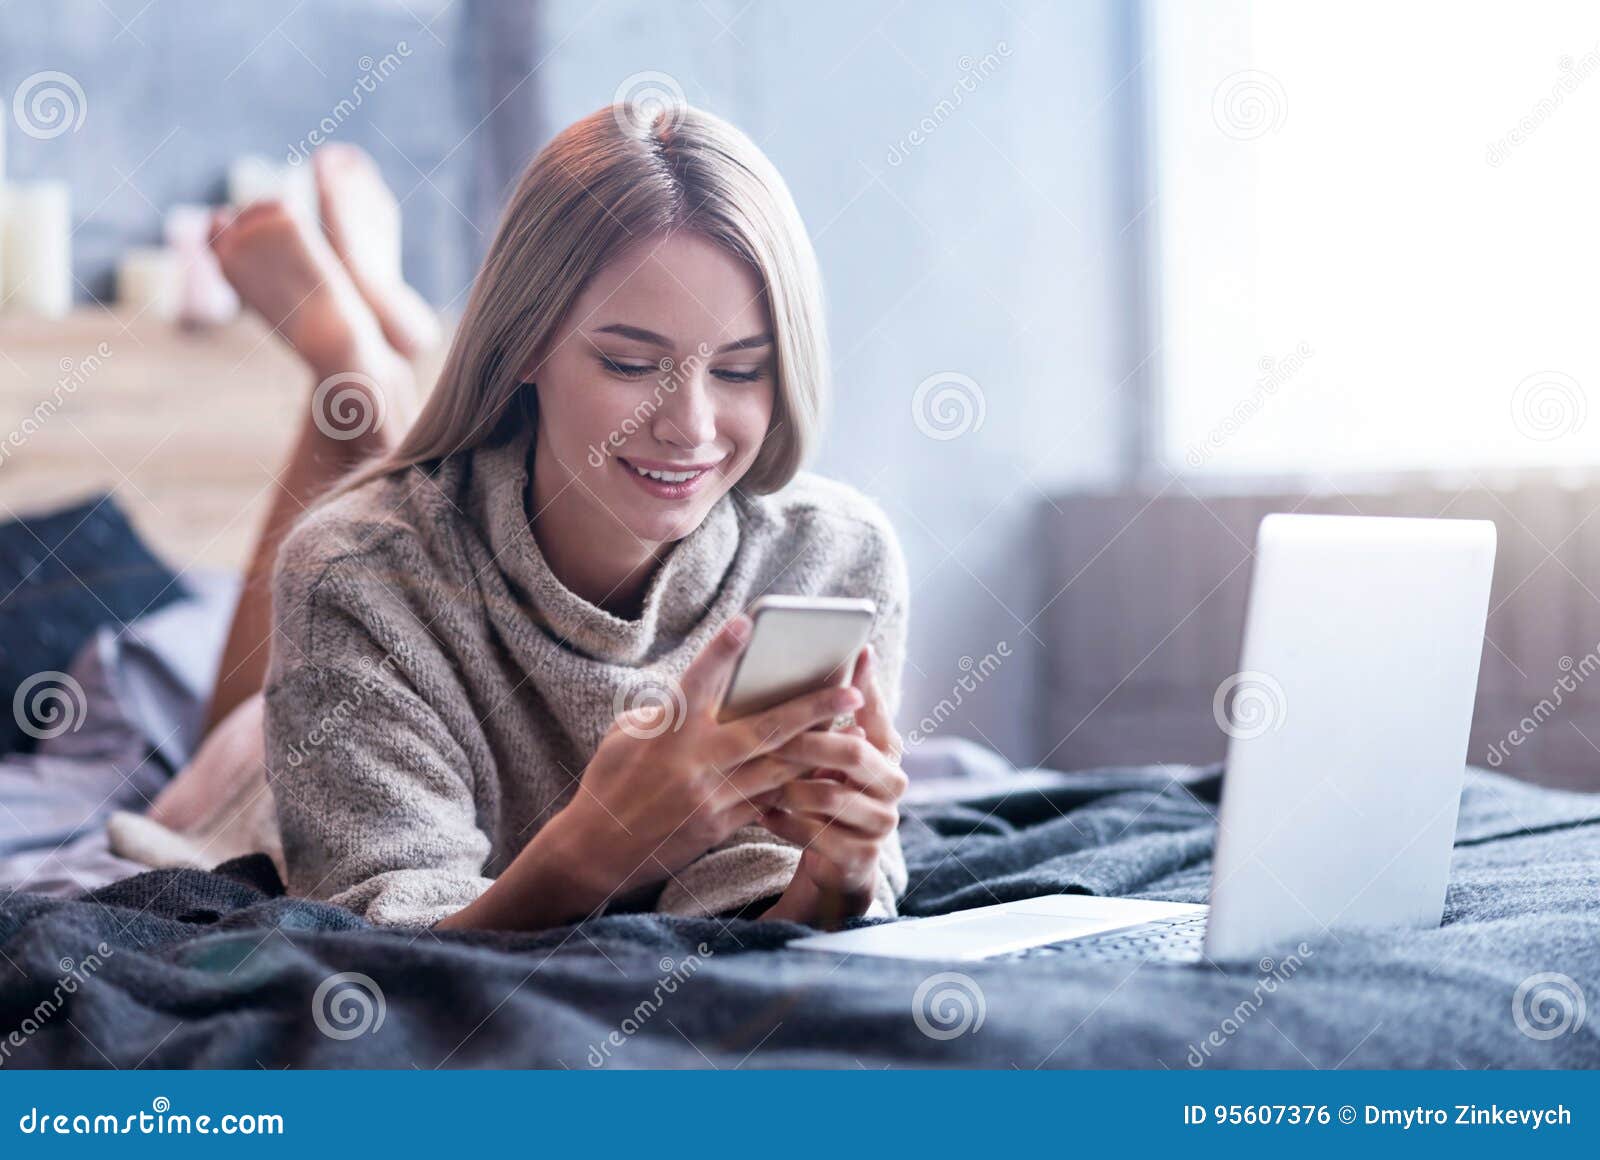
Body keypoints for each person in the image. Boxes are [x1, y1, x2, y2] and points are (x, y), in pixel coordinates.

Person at [113, 107, 911, 934]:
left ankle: (374, 346)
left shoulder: (833, 556)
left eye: (744, 369)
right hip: (268, 769)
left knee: (392, 519)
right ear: (524, 343)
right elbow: (388, 948)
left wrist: (839, 877)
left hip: (427, 551)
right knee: (312, 619)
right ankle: (347, 359)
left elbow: (772, 909)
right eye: (631, 363)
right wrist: (600, 845)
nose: (694, 427)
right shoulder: (351, 575)